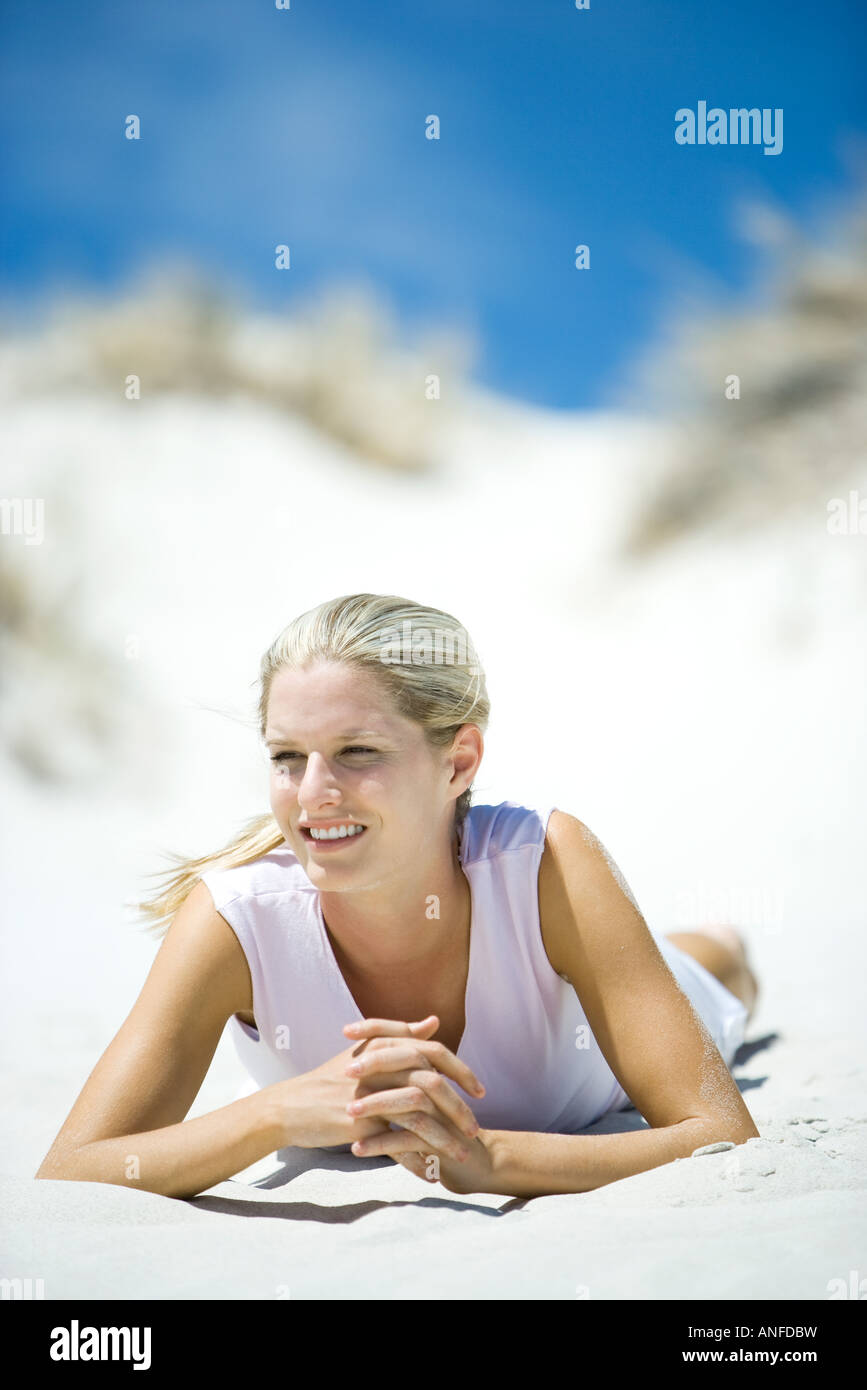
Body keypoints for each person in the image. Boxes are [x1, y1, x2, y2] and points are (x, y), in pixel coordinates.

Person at [36, 593, 760, 1201]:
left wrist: (493, 1162)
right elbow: (74, 1169)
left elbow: (718, 1132)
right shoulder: (235, 918)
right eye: (287, 757)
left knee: (712, 968)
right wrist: (272, 1116)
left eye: (357, 752)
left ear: (458, 762)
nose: (313, 793)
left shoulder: (545, 865)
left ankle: (719, 945)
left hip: (613, 1057)